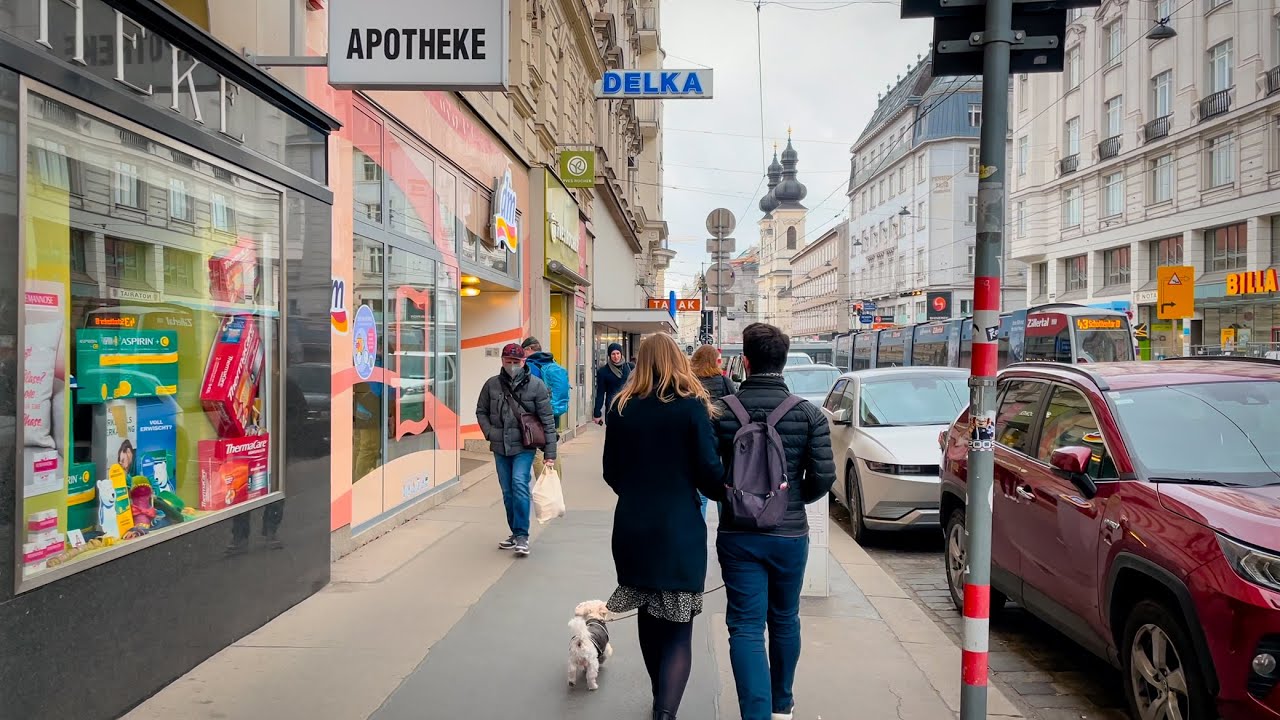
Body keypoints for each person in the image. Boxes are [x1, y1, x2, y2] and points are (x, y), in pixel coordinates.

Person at [712, 323, 835, 720]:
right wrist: (791, 501)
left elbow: (709, 471)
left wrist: (731, 499)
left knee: (746, 627)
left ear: (744, 362)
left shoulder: (721, 412)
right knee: (784, 617)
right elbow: (823, 477)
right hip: (789, 533)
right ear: (783, 363)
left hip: (738, 533)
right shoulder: (809, 413)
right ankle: (783, 704)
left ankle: (757, 714)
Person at [603, 333, 725, 720]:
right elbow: (709, 475)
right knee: (678, 627)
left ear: (641, 362)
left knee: (647, 612)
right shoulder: (692, 408)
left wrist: (638, 493)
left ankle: (661, 698)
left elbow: (611, 472)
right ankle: (665, 711)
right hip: (678, 529)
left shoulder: (622, 408)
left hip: (633, 526)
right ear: (678, 361)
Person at [476, 343, 558, 557]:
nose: (512, 366)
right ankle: (514, 532)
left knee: (519, 483)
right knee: (507, 490)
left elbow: (547, 420)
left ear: (524, 362)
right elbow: (481, 411)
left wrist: (550, 453)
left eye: (516, 362)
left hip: (524, 445)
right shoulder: (491, 385)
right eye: (508, 362)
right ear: (502, 361)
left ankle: (522, 535)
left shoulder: (536, 386)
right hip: (500, 445)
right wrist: (489, 433)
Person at [593, 342, 631, 425]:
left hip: (629, 405)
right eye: (613, 354)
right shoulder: (603, 372)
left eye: (618, 353)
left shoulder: (630, 367)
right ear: (609, 355)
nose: (616, 356)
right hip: (612, 406)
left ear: (621, 354)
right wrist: (597, 413)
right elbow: (600, 393)